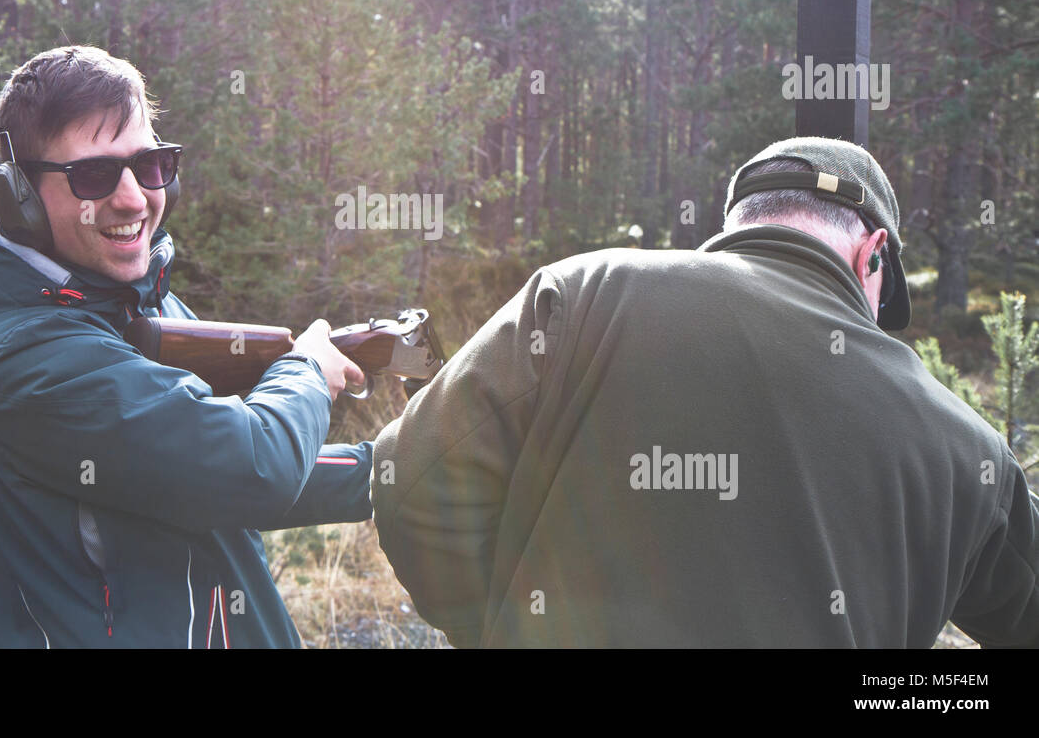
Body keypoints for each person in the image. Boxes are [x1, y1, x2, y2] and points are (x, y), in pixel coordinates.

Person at [372, 137, 1039, 647]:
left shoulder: (582, 295)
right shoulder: (965, 447)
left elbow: (409, 483)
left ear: (741, 221)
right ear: (873, 255)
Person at [0, 45, 367, 647]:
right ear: (18, 191)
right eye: (93, 174)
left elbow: (206, 467)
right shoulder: (30, 361)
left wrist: (393, 470)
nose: (135, 198)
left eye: (151, 163)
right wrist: (310, 370)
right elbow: (251, 469)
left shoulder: (124, 294)